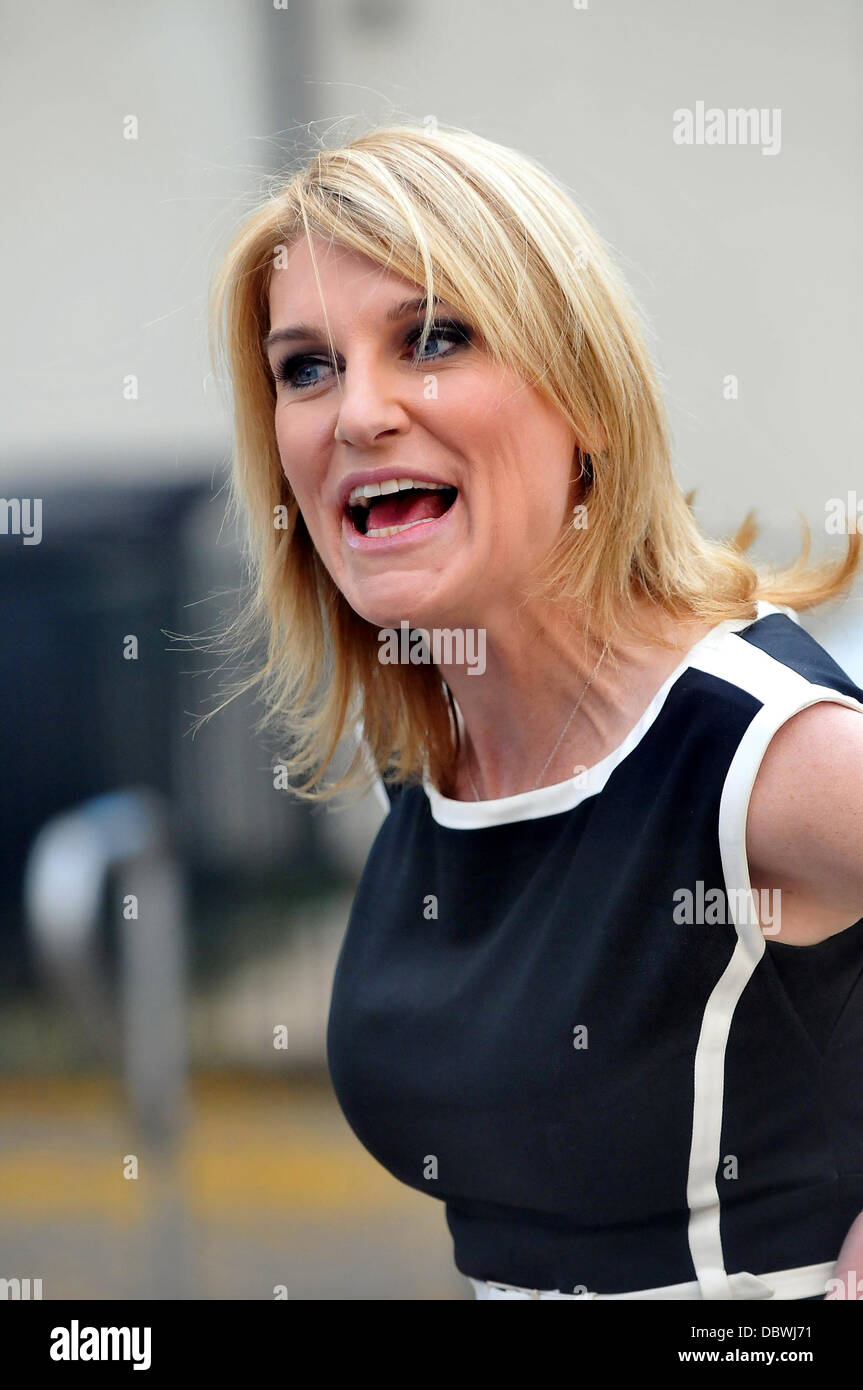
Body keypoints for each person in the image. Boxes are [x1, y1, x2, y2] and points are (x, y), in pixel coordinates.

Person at [207, 123, 863, 1300]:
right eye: (306, 366)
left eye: (432, 339)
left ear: (588, 403)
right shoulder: (425, 746)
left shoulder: (763, 752)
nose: (358, 413)